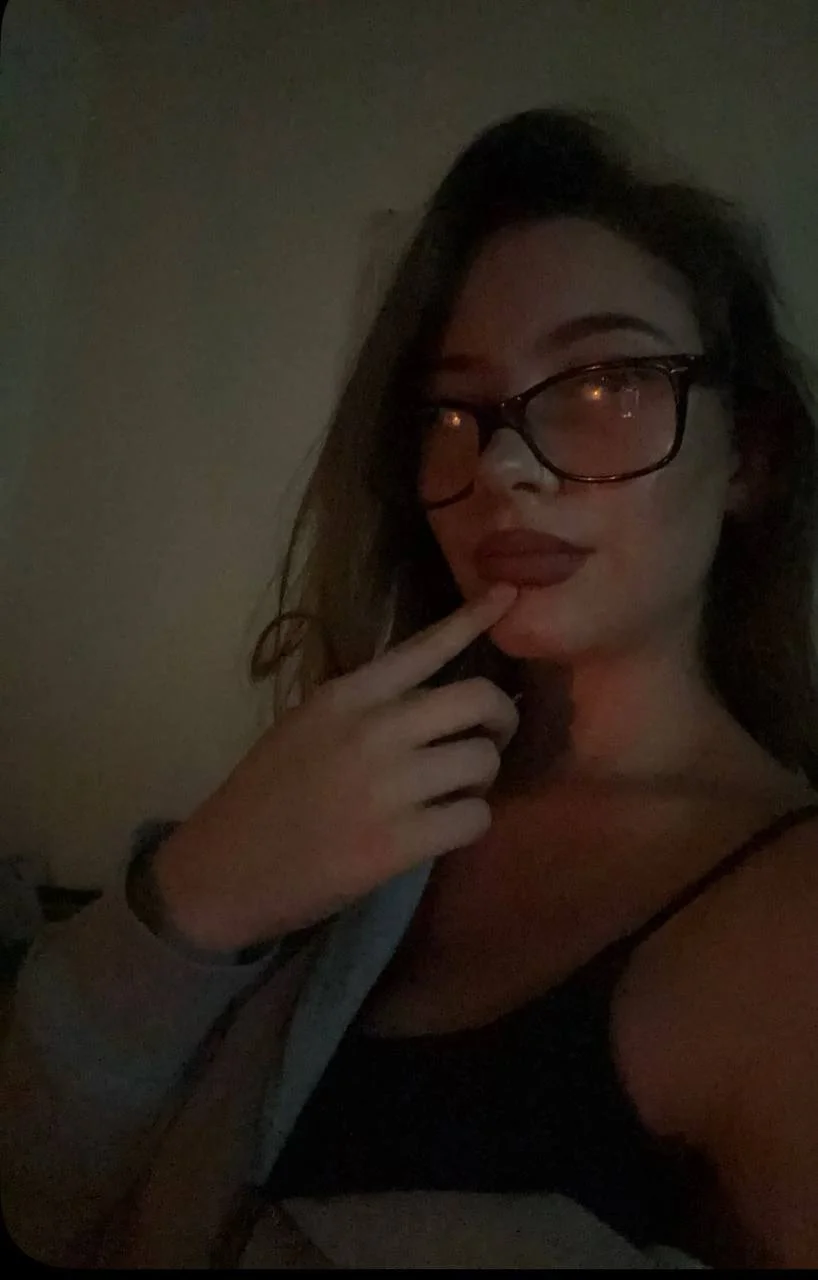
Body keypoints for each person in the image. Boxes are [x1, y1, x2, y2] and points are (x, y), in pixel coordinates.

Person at [3, 106, 818, 1270]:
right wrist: (191, 899)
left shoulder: (787, 918)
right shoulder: (346, 784)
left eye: (601, 383)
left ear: (748, 455)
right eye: (451, 410)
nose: (501, 465)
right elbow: (38, 1191)